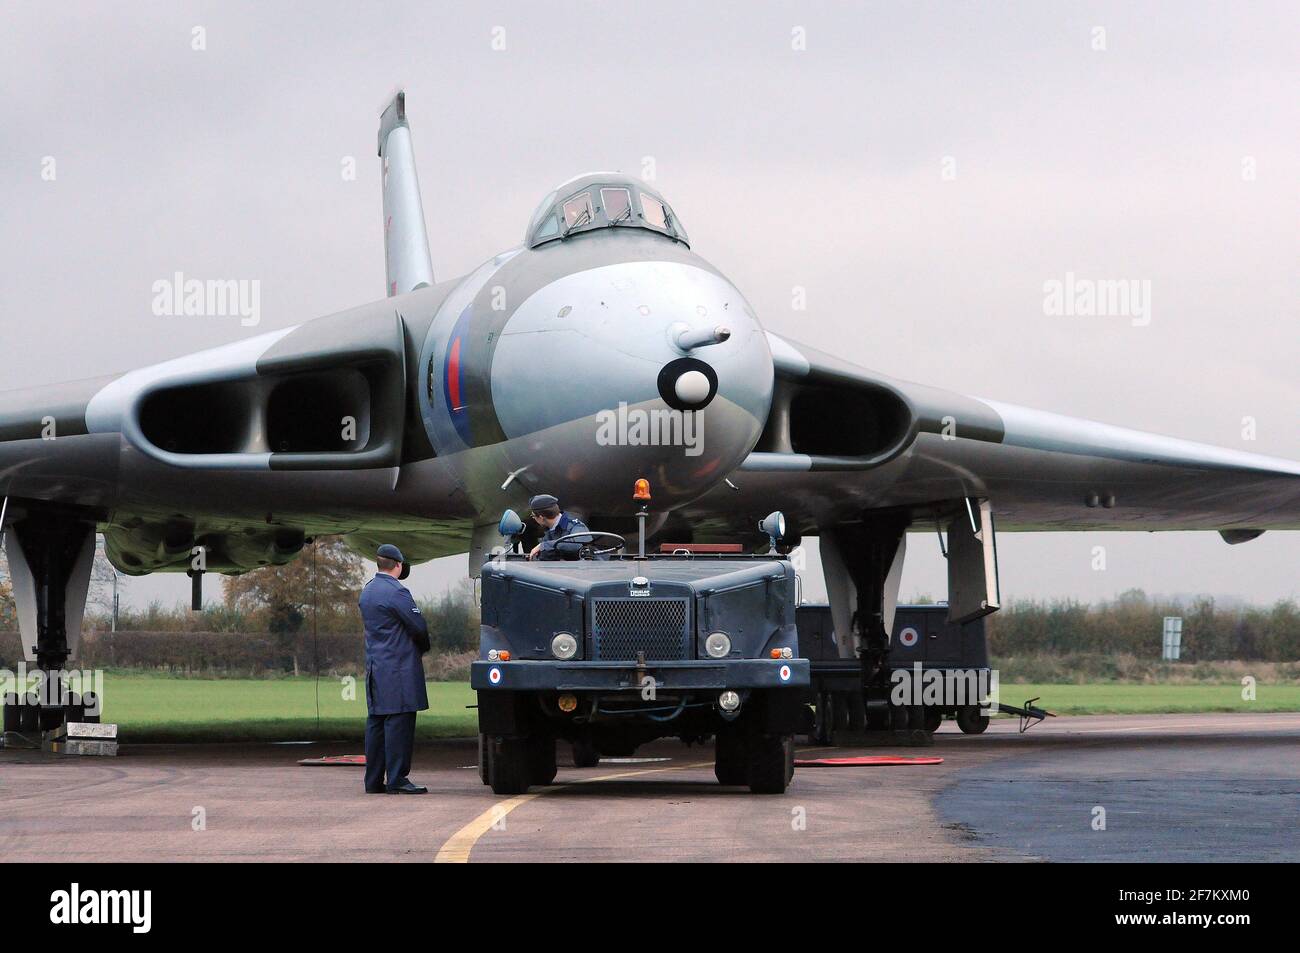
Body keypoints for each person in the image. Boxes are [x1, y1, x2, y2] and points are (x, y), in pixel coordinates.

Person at [359, 543, 431, 794]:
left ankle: (373, 780)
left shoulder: (367, 591)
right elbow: (418, 627)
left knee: (377, 724)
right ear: (398, 565)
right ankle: (398, 779)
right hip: (399, 669)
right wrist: (423, 648)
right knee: (399, 723)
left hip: (375, 668)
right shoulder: (397, 592)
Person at [527, 494, 593, 560]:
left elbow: (576, 544)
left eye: (533, 516)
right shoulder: (548, 530)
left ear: (541, 518)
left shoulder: (576, 525)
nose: (533, 519)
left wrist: (544, 545)